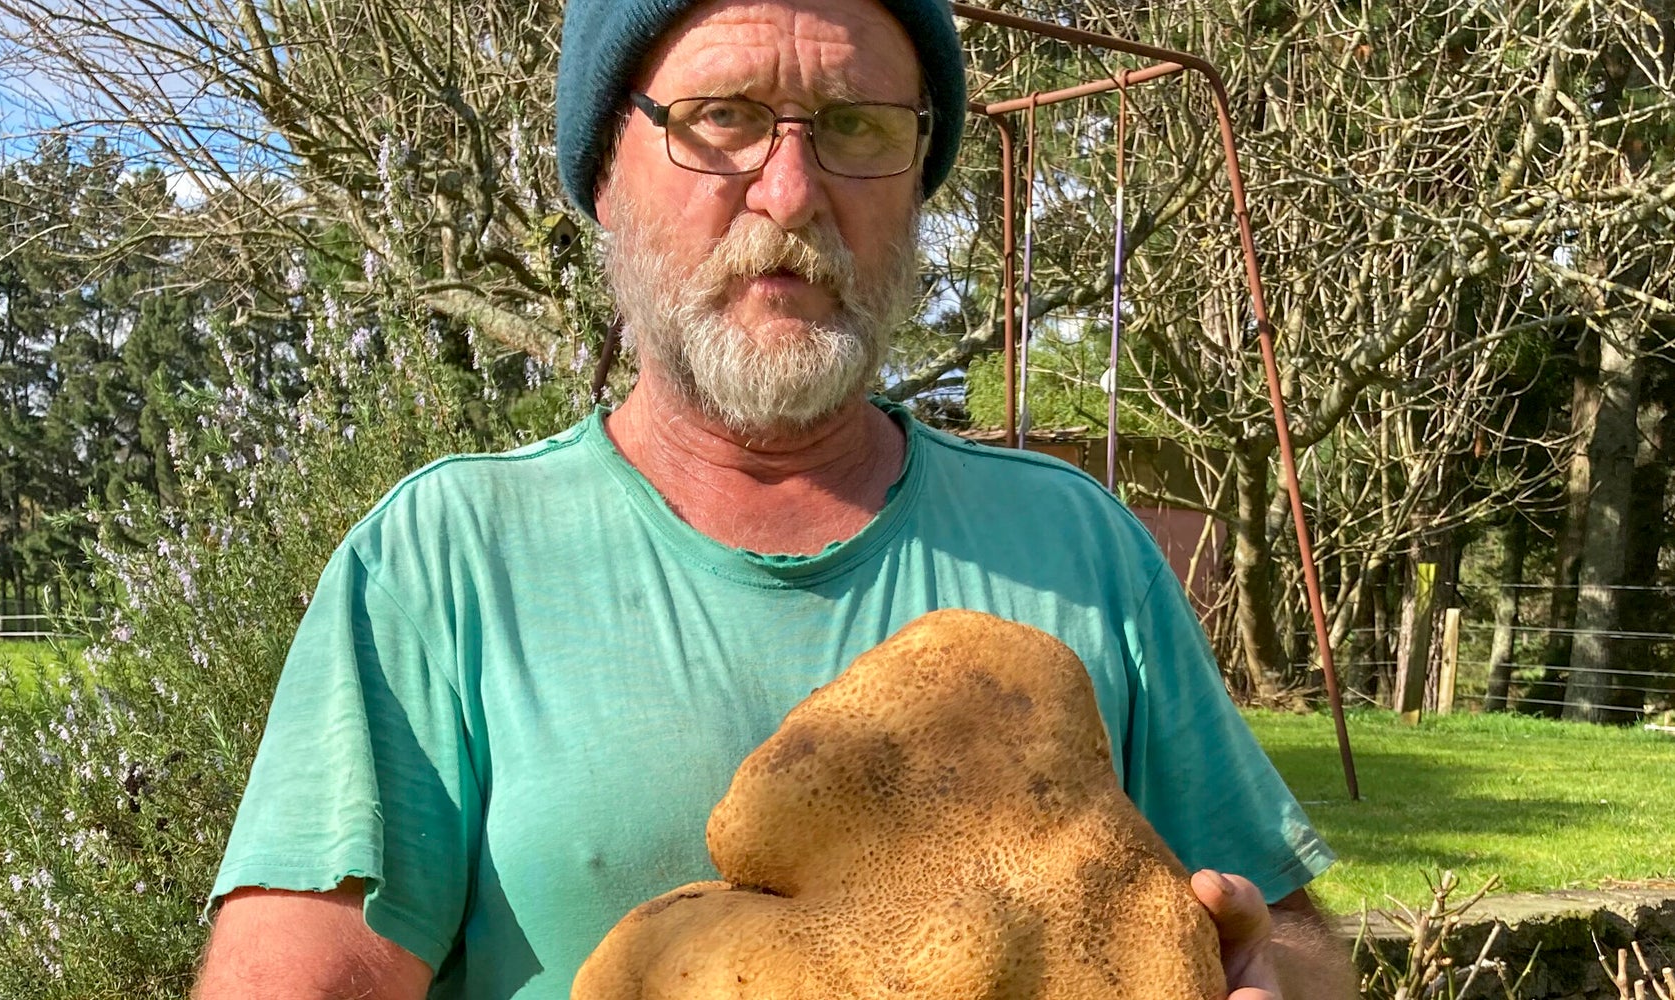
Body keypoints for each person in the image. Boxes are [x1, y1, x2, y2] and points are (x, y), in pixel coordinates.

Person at [193, 0, 1357, 997]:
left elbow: (1297, 940)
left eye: (857, 126)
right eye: (721, 117)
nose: (791, 192)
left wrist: (1268, 971)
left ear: (916, 186)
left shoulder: (1075, 546)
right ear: (604, 177)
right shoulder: (443, 560)